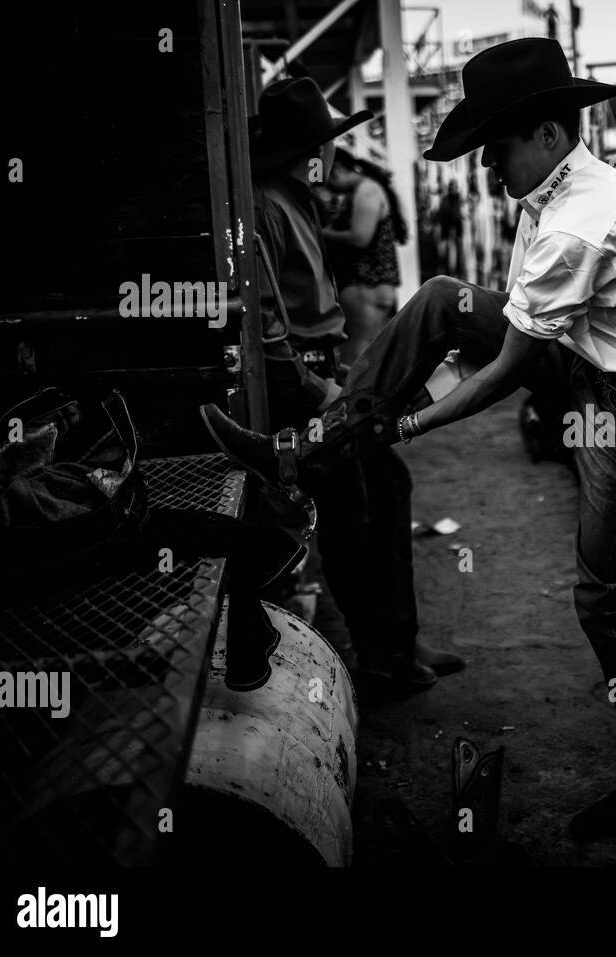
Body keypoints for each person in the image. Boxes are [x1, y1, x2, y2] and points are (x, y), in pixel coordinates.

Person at [200, 37, 616, 842]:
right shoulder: (555, 198)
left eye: (496, 148)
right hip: (591, 367)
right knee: (439, 301)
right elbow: (478, 347)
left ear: (545, 134)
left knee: (603, 596)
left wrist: (413, 423)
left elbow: (502, 373)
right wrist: (393, 409)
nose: (487, 169)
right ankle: (311, 446)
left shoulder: (576, 221)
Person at [236, 76, 463, 694]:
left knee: (387, 489)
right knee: (354, 516)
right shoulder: (264, 204)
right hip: (305, 386)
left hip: (326, 369)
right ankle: (383, 657)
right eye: (329, 142)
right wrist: (314, 390)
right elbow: (262, 321)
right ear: (311, 151)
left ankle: (398, 641)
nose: (335, 153)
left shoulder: (294, 198)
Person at [322, 149, 408, 369]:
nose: (328, 188)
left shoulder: (366, 190)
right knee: (371, 359)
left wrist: (319, 233)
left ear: (338, 168)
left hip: (364, 284)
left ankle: (350, 402)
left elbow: (361, 237)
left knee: (355, 359)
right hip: (374, 287)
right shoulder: (368, 189)